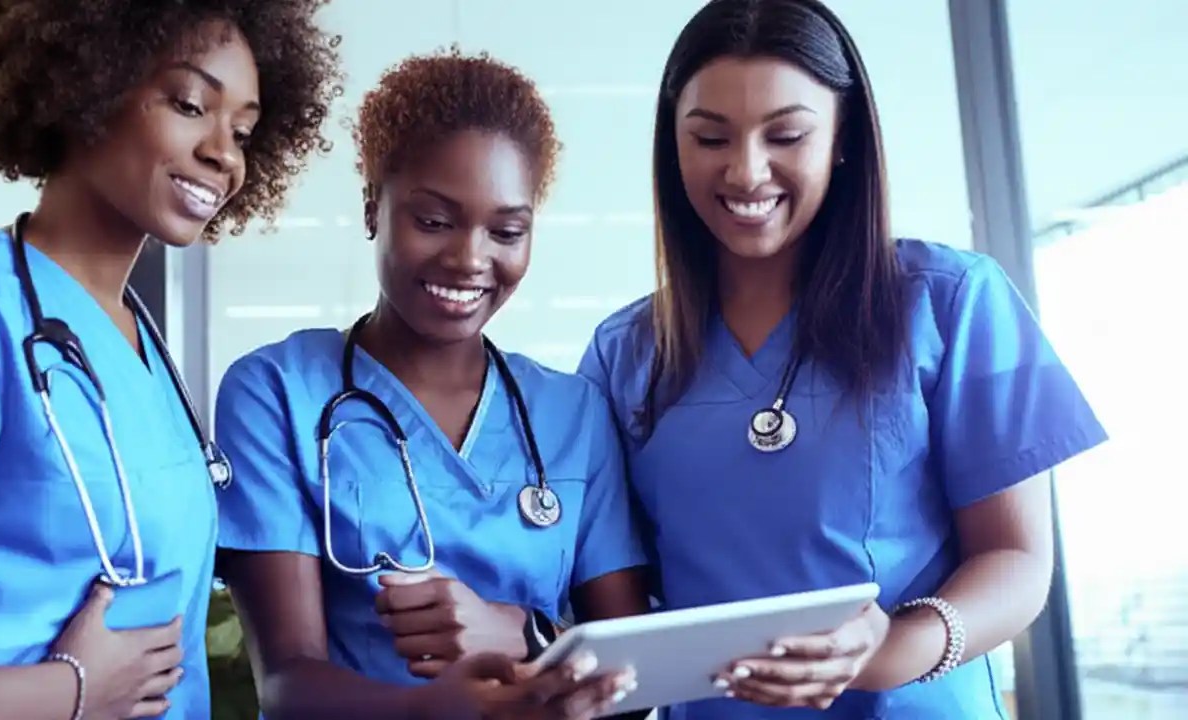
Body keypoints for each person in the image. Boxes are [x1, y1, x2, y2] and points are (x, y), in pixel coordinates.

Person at [577, 0, 1107, 718]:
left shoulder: (952, 302)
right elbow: (608, 597)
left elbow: (1016, 561)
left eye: (786, 134)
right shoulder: (624, 354)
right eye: (709, 138)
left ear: (843, 137)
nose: (746, 172)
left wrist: (896, 650)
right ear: (673, 145)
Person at [0, 1, 339, 718]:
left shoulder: (138, 340)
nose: (224, 154)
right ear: (86, 84)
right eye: (189, 103)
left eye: (242, 131)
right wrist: (68, 690)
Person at [213, 49, 650, 720]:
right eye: (435, 221)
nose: (471, 259)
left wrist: (526, 636)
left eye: (506, 230)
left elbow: (630, 675)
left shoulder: (574, 415)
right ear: (372, 210)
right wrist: (436, 710)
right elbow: (288, 686)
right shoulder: (277, 392)